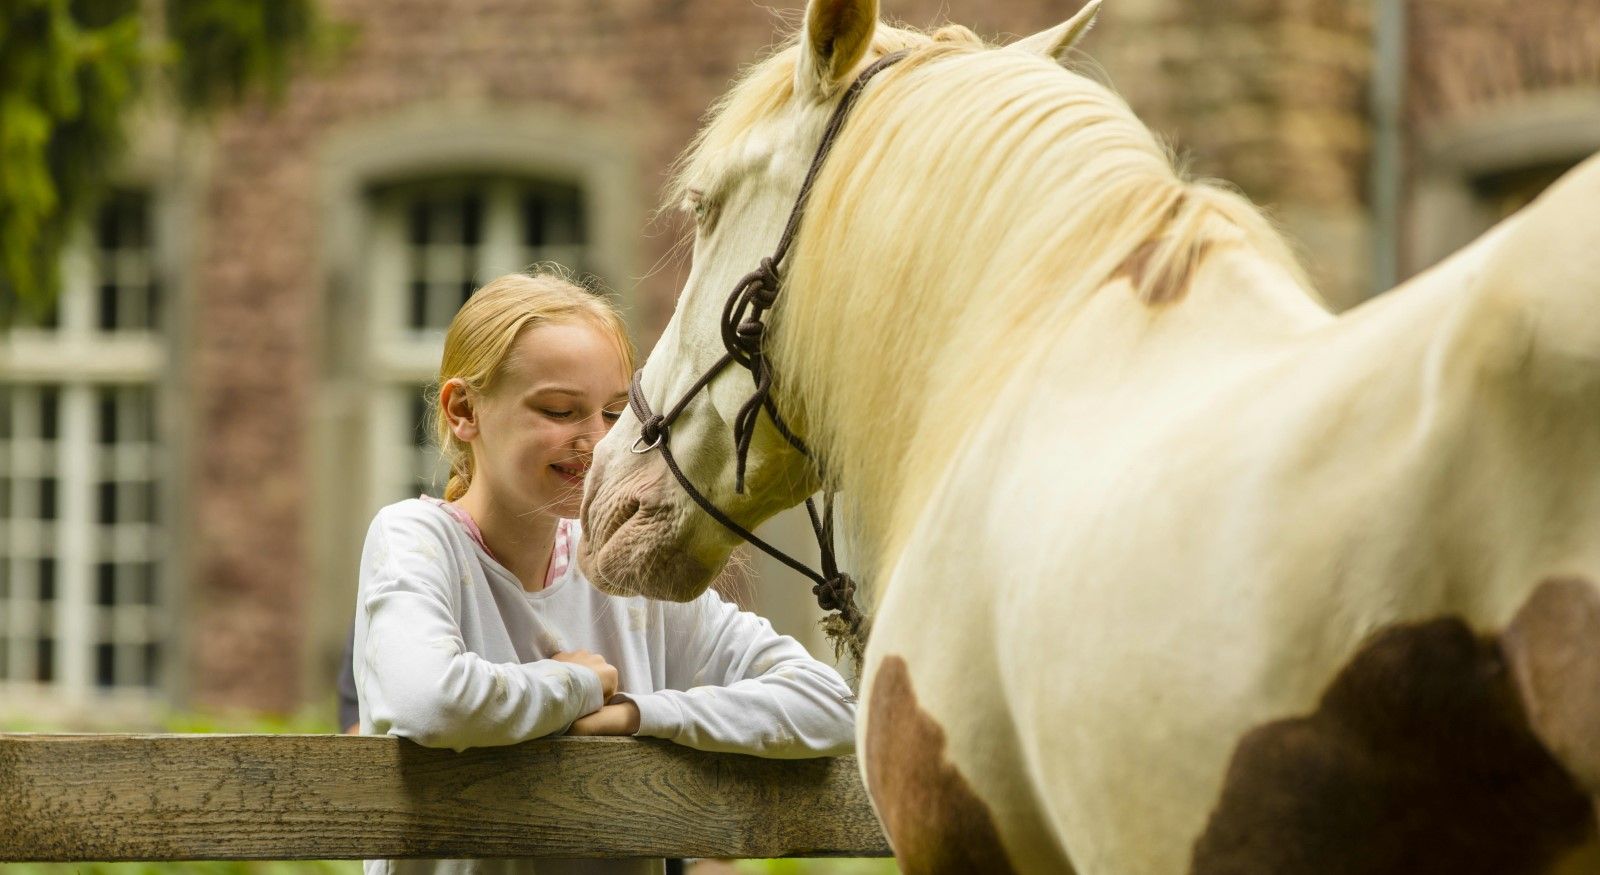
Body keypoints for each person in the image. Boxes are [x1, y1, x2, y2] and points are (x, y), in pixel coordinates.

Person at [352, 271, 857, 875]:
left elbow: (834, 704)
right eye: (560, 411)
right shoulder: (415, 537)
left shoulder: (626, 563)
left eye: (617, 412)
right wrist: (577, 686)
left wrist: (645, 714)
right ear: (464, 410)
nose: (596, 441)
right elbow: (431, 701)